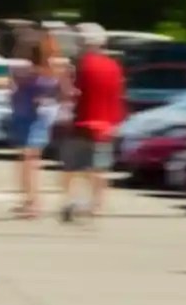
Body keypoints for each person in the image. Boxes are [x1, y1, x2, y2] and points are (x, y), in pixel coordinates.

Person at [61, 22, 125, 222]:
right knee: (100, 168)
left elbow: (70, 93)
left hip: (82, 121)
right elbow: (118, 95)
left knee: (72, 166)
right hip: (107, 124)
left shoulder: (80, 65)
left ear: (84, 42)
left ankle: (73, 201)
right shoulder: (113, 65)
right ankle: (97, 205)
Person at [8, 31, 61, 218]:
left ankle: (33, 203)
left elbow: (41, 93)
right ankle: (29, 201)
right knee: (28, 161)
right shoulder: (46, 71)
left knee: (29, 161)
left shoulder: (37, 73)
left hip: (33, 118)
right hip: (31, 117)